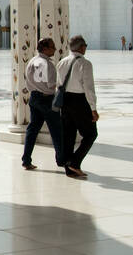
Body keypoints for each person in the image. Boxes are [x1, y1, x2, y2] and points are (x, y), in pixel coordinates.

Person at [57, 35, 98, 180]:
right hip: (80, 101)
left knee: (68, 136)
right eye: (85, 45)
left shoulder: (62, 62)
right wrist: (93, 108)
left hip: (66, 101)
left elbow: (59, 84)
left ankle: (69, 169)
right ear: (81, 47)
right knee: (91, 134)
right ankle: (75, 162)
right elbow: (88, 88)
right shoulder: (85, 64)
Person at [21, 37, 64, 171]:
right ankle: (62, 160)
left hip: (34, 98)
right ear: (45, 48)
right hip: (46, 99)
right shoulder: (45, 64)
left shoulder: (32, 61)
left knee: (32, 129)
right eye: (52, 47)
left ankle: (26, 160)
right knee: (56, 130)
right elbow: (49, 84)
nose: (55, 49)